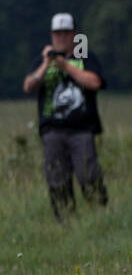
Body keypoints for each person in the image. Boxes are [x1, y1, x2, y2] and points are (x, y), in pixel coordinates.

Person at [23, 13, 108, 222]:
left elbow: (95, 83)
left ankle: (100, 214)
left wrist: (66, 66)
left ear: (74, 34)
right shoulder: (43, 59)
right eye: (57, 33)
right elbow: (29, 86)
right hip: (52, 130)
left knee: (88, 174)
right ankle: (65, 221)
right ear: (51, 35)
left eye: (65, 33)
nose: (61, 37)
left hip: (82, 129)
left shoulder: (85, 56)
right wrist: (46, 63)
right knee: (57, 178)